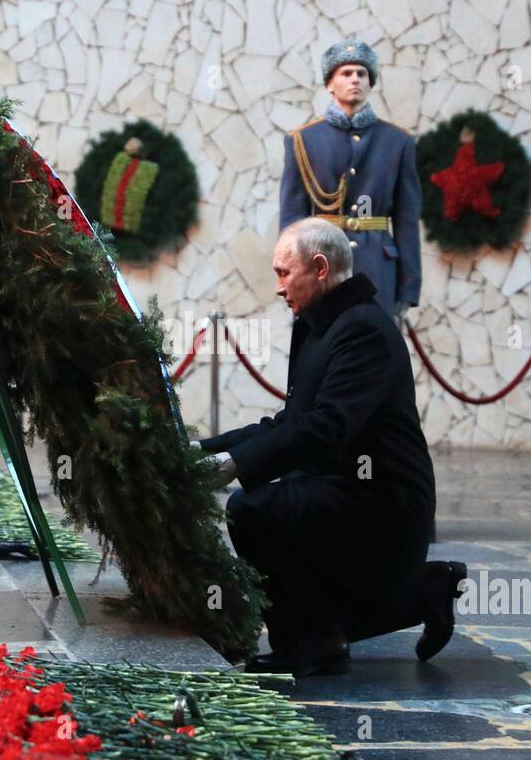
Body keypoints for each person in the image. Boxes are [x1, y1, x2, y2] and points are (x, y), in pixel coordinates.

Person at [198, 219, 465, 677]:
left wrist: (235, 466)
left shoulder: (362, 330)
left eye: (285, 273)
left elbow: (327, 426)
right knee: (282, 504)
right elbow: (288, 422)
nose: (279, 287)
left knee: (255, 510)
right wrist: (204, 449)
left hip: (386, 498)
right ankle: (424, 590)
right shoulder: (322, 323)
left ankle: (313, 643)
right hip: (343, 486)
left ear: (320, 267)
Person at [279, 38, 422, 320]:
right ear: (330, 84)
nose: (355, 79)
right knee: (322, 356)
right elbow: (292, 220)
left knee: (376, 357)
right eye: (346, 73)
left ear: (370, 84)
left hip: (379, 270)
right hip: (319, 268)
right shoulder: (303, 141)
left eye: (362, 73)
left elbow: (407, 220)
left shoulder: (398, 141)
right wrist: (290, 279)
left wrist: (408, 288)